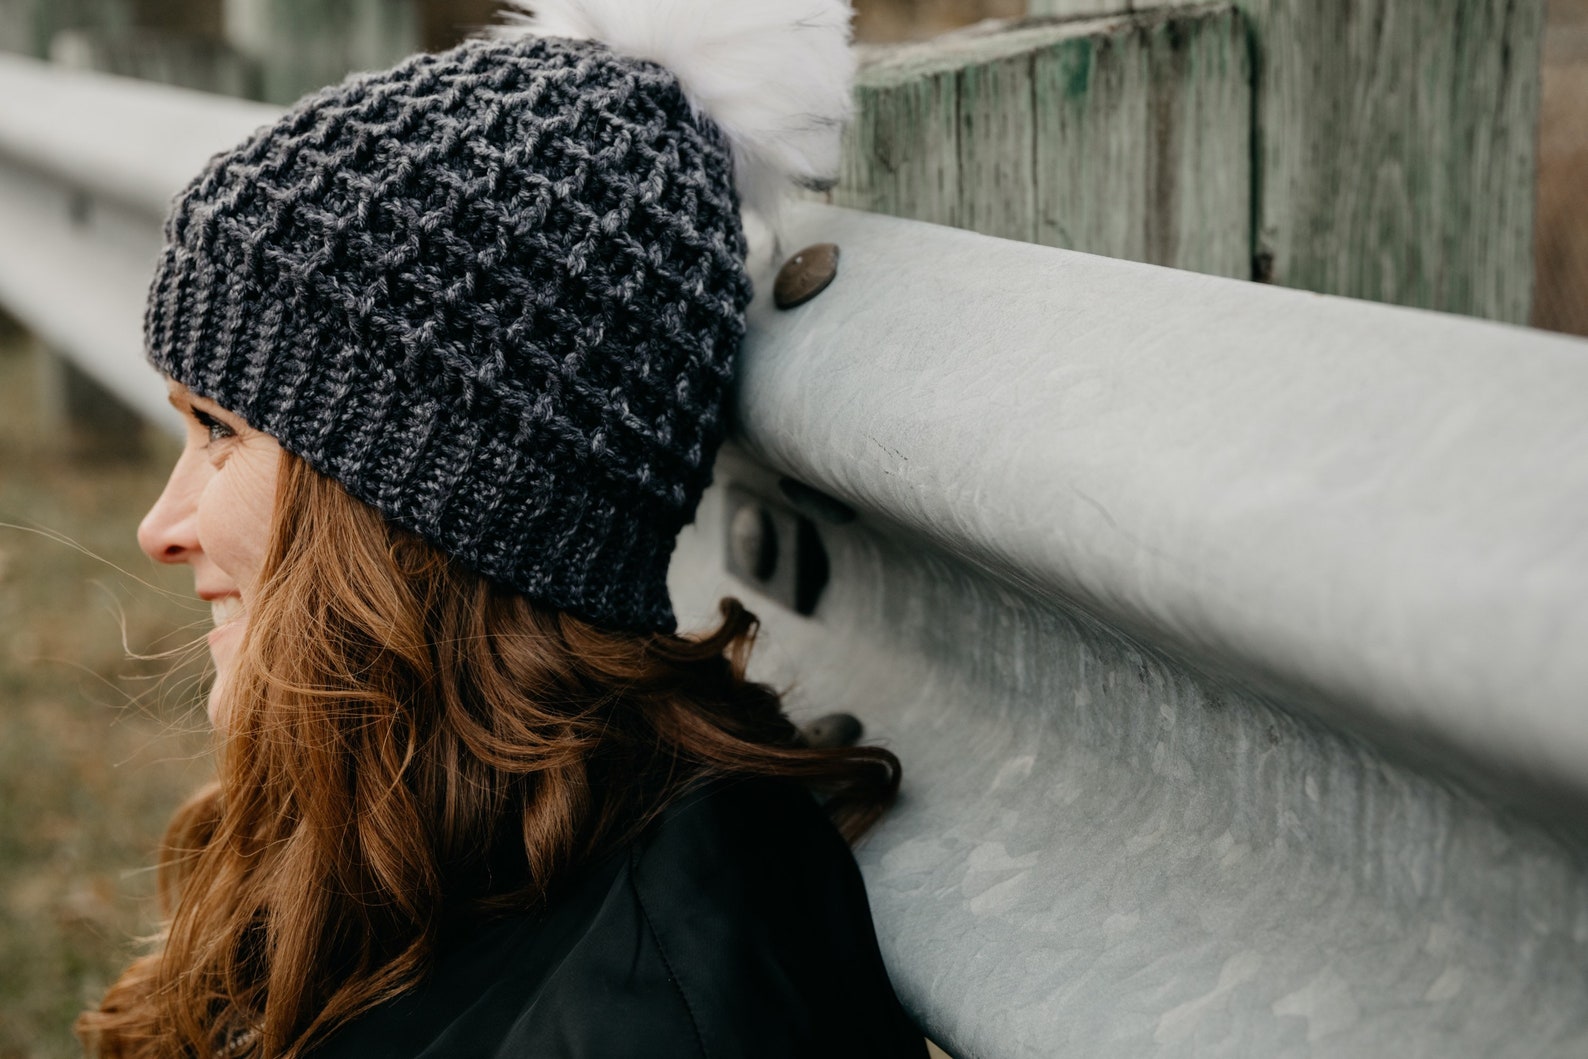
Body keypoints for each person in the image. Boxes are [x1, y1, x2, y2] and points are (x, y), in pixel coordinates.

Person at [76, 0, 924, 1055]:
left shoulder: (664, 997)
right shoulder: (399, 831)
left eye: (218, 430)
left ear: (439, 487)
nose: (162, 527)